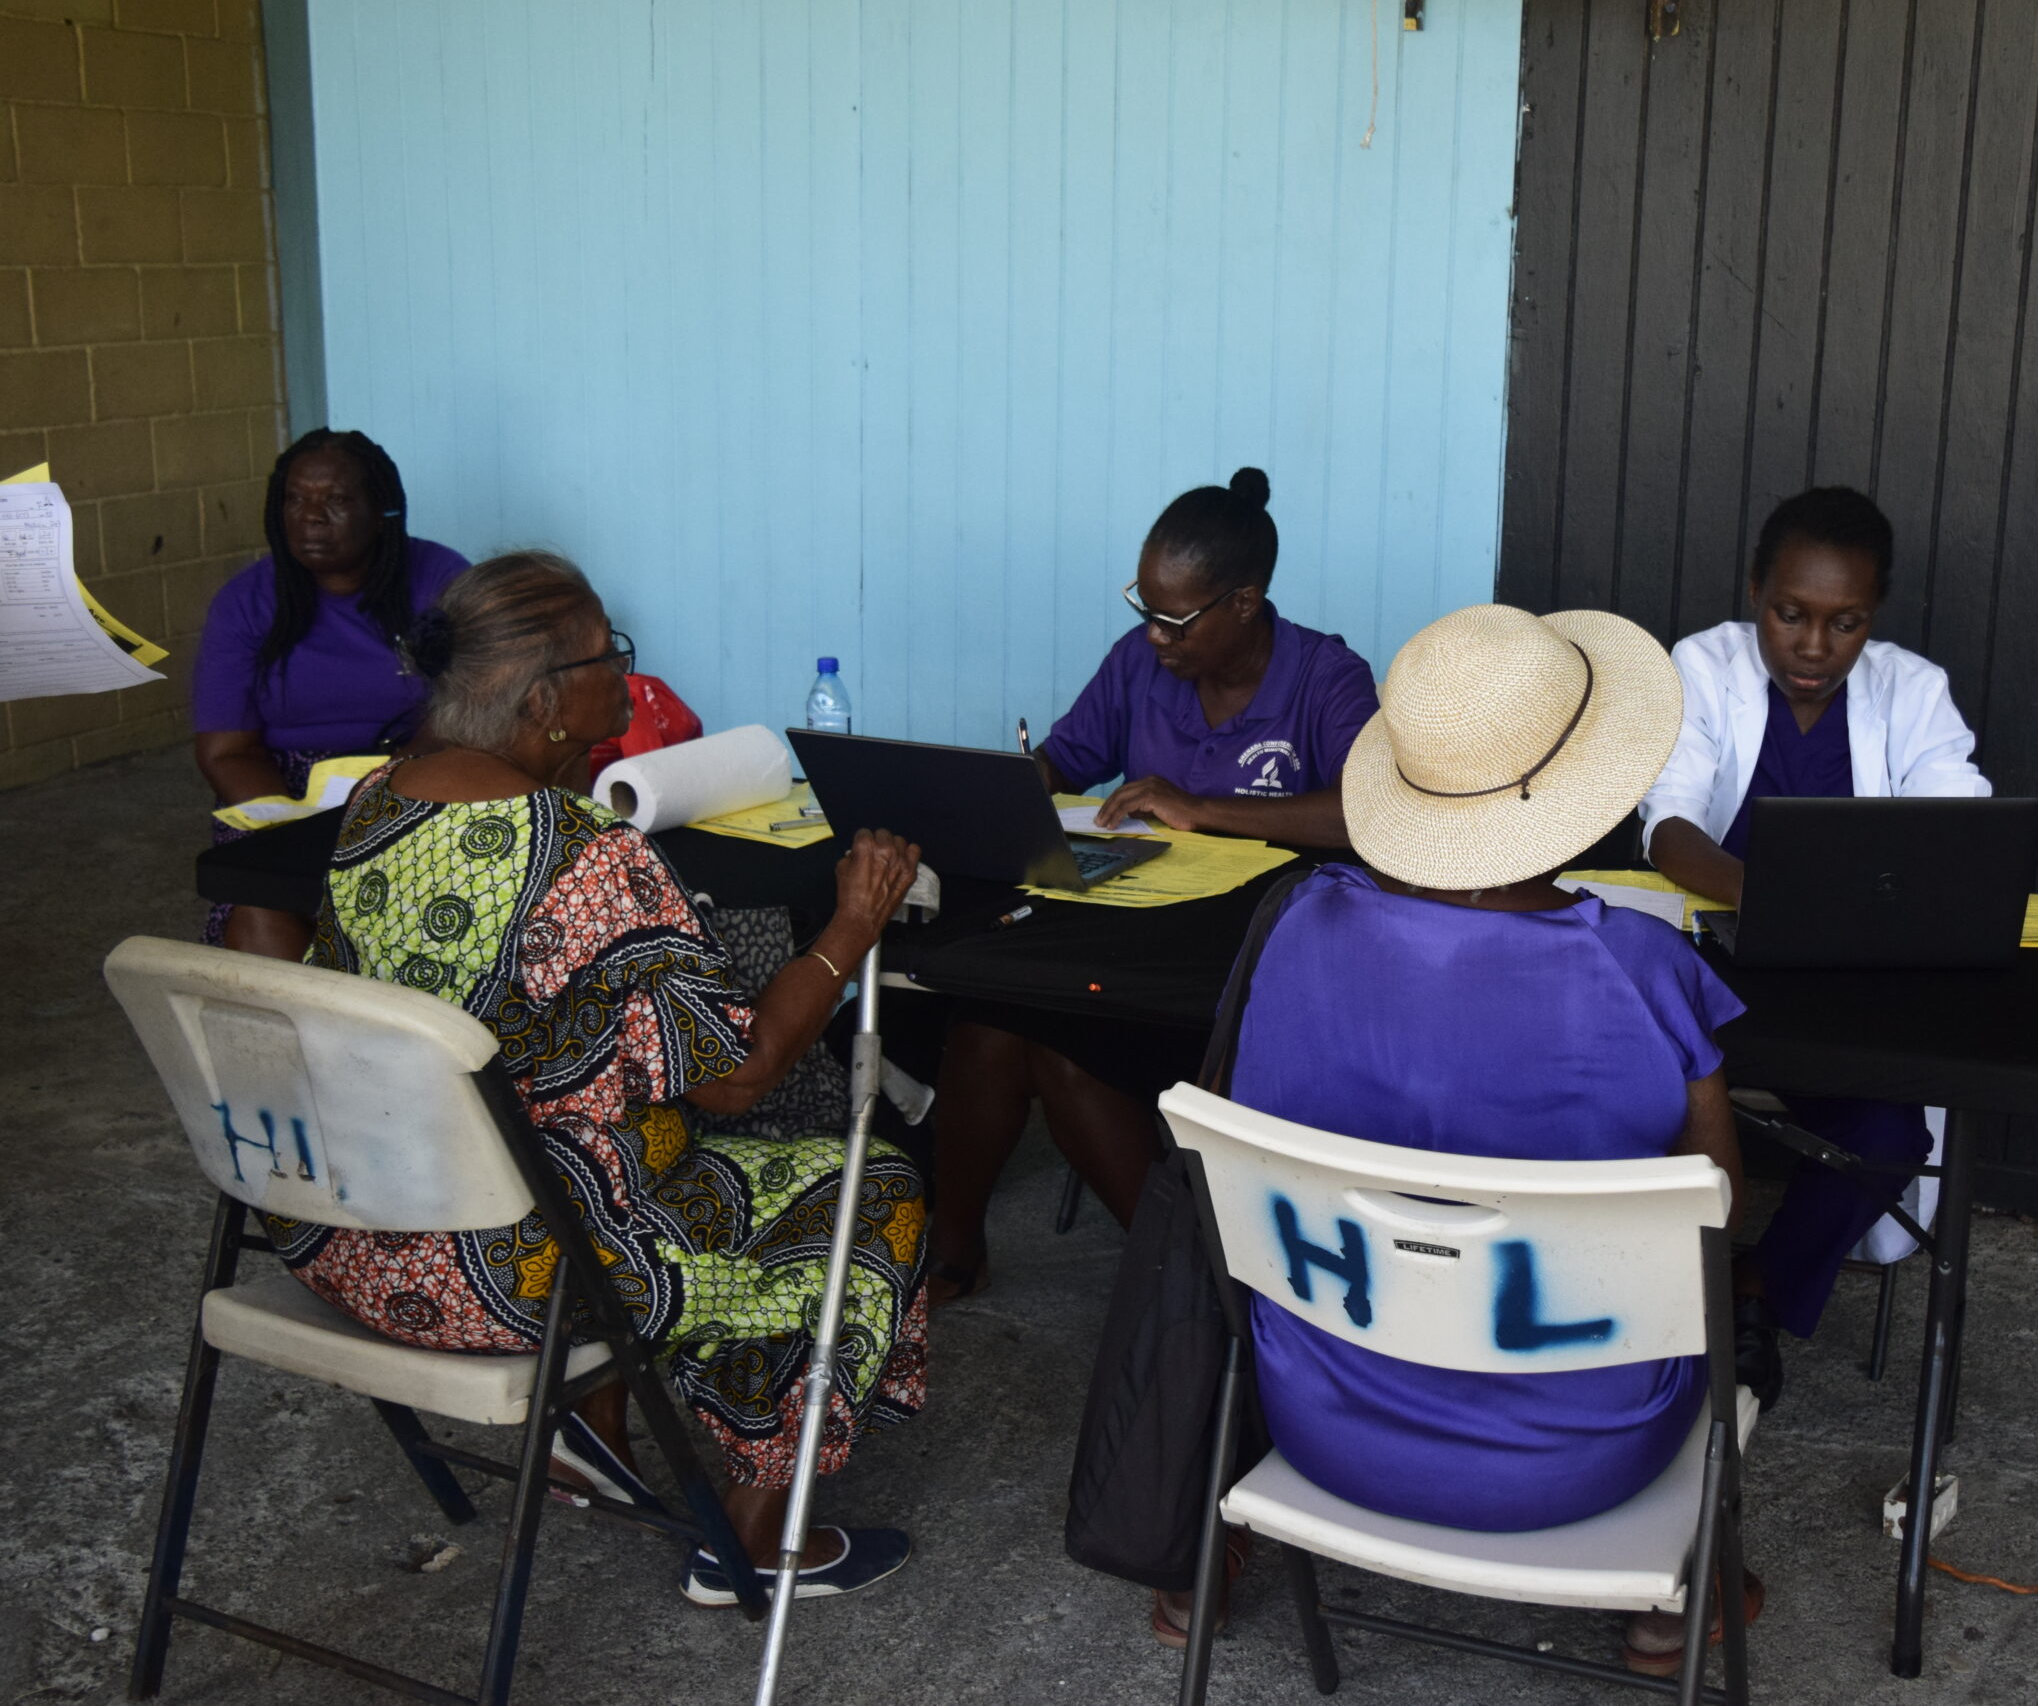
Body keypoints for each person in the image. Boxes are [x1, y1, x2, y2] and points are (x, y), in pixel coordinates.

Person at [267, 551, 928, 1607]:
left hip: (348, 1235)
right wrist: (853, 923)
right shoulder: (584, 854)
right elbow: (741, 1075)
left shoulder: (375, 808)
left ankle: (593, 1424)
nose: (624, 674)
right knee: (861, 1185)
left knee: (634, 1140)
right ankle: (754, 1540)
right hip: (508, 1273)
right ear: (545, 703)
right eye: (607, 656)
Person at [1196, 602, 1760, 1675]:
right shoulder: (1646, 970)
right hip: (1580, 1461)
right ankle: (1669, 1612)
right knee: (1733, 1335)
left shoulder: (1293, 929)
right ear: (1590, 780)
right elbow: (1715, 1220)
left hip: (1320, 1423)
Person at [927, 469, 1379, 1302]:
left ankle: (1198, 1286)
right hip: (1129, 940)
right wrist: (1012, 788)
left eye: (1175, 619)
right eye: (1145, 608)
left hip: (1252, 970)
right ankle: (952, 1258)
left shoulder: (1326, 677)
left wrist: (1201, 807)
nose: (1155, 637)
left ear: (1244, 602)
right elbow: (1064, 760)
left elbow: (1368, 816)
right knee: (986, 1022)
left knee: (1060, 1058)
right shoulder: (1141, 664)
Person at [1638, 486, 1989, 1402]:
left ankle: (1753, 1289)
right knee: (1614, 1090)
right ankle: (1636, 1303)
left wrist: (1849, 913)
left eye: (1846, 622)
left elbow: (1960, 825)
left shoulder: (1911, 689)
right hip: (1708, 965)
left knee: (1887, 1128)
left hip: (1844, 982)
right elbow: (1669, 826)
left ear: (1875, 615)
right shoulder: (1701, 666)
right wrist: (1784, 900)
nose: (1812, 645)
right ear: (1755, 589)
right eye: (1790, 613)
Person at [193, 430, 471, 960]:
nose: (311, 516)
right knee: (263, 903)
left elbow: (470, 711)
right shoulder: (246, 602)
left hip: (415, 777)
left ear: (383, 510)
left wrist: (379, 802)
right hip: (281, 792)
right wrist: (300, 831)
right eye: (295, 499)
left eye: (336, 500)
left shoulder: (441, 579)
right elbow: (225, 751)